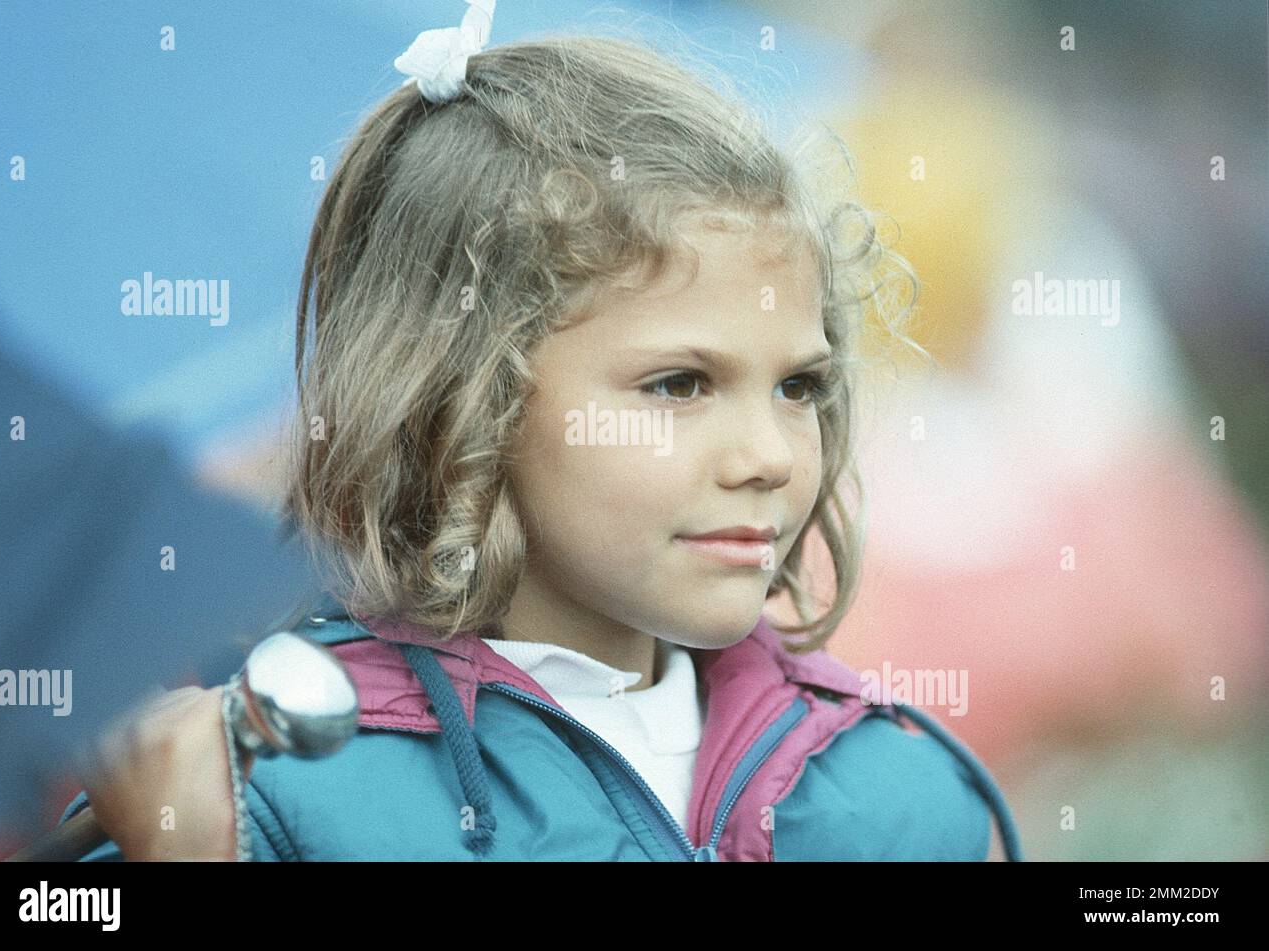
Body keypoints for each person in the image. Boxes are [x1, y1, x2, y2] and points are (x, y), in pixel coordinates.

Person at [55, 3, 1022, 861]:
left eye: (799, 386)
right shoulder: (257, 796)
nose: (770, 456)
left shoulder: (906, 797)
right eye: (680, 384)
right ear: (462, 394)